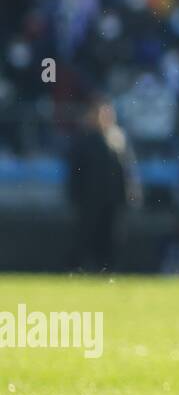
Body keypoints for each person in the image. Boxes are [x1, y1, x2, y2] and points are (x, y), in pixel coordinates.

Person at [66, 98, 140, 272]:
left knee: (112, 239)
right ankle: (81, 269)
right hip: (90, 200)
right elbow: (75, 173)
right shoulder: (83, 140)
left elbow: (128, 170)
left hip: (113, 200)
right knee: (87, 237)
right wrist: (76, 197)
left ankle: (108, 271)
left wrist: (131, 193)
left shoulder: (118, 140)